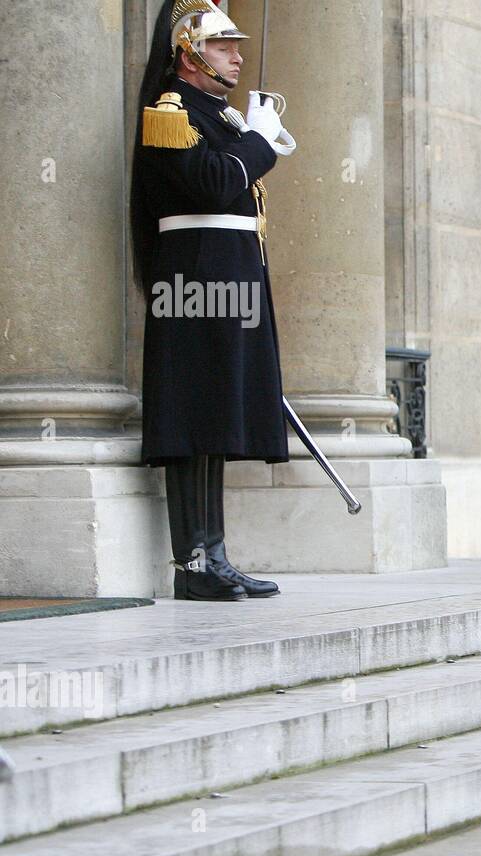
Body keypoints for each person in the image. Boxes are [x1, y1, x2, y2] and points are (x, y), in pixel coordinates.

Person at [130, 0, 296, 601]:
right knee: (194, 412)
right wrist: (255, 138)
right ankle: (194, 561)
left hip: (228, 273)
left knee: (218, 410)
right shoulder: (170, 112)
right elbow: (219, 182)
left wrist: (248, 134)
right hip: (196, 279)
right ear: (189, 51)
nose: (238, 55)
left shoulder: (218, 115)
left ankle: (215, 554)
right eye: (225, 45)